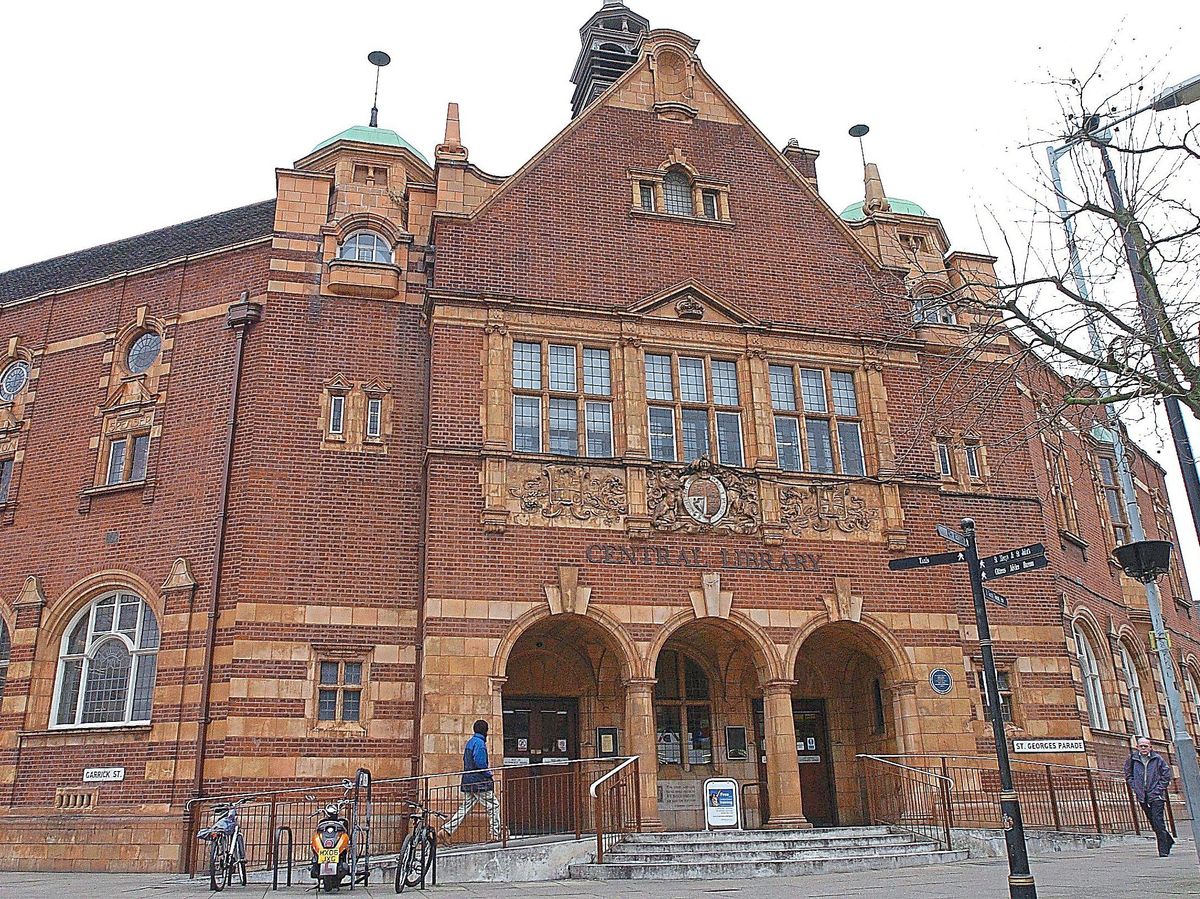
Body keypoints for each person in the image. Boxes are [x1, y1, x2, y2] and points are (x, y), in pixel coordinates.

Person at [443, 719, 502, 842]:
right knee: (494, 806)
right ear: (485, 731)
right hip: (479, 782)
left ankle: (446, 830)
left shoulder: (470, 742)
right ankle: (495, 834)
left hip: (468, 780)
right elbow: (480, 763)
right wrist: (489, 774)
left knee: (465, 807)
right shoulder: (480, 744)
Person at [1123, 736, 1175, 857]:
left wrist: (1158, 790)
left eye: (1146, 746)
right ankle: (1169, 840)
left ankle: (1163, 850)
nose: (1143, 748)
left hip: (1156, 796)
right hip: (1142, 795)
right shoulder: (1133, 759)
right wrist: (1135, 786)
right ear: (1137, 747)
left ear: (1150, 747)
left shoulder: (1157, 759)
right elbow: (1128, 774)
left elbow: (1166, 775)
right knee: (1152, 821)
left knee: (1158, 821)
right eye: (1141, 746)